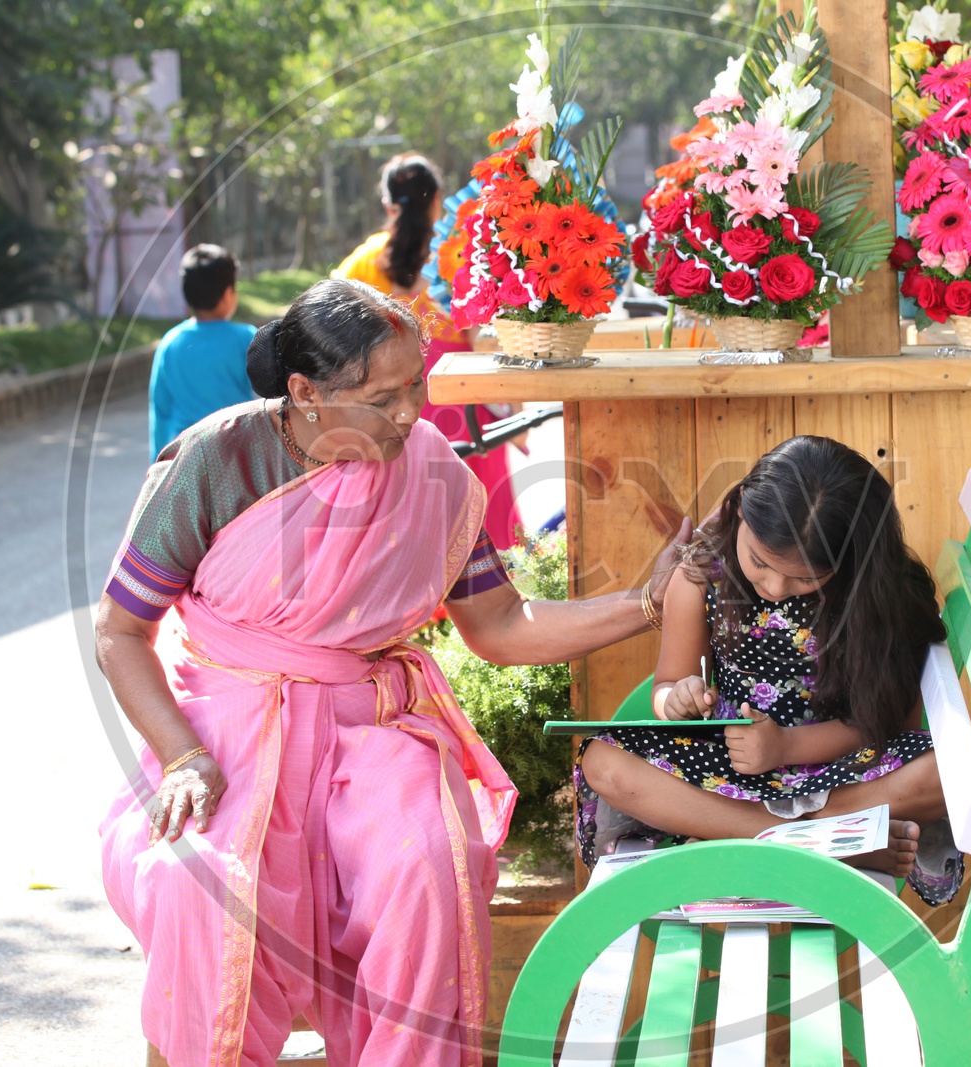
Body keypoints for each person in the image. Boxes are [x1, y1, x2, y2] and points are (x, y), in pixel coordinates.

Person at [96, 278, 689, 1067]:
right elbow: (119, 629)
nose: (411, 413)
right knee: (196, 884)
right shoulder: (217, 457)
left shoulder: (432, 471)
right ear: (304, 392)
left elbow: (503, 626)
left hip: (369, 732)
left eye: (418, 384)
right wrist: (180, 754)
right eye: (383, 397)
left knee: (424, 864)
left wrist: (650, 599)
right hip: (226, 733)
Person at [575, 435, 964, 905]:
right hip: (728, 771)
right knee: (602, 761)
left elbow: (878, 725)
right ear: (739, 512)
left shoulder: (873, 599)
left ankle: (754, 838)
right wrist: (676, 699)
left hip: (839, 770)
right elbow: (666, 686)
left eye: (804, 577)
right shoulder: (701, 578)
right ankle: (826, 844)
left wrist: (784, 746)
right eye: (759, 561)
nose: (775, 586)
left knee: (946, 772)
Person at [333, 153, 526, 547]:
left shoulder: (364, 262)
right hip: (464, 400)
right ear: (438, 198)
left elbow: (329, 325)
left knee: (407, 525)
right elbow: (486, 336)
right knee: (483, 527)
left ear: (387, 204)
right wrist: (516, 408)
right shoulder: (461, 253)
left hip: (394, 409)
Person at [147, 244, 257, 460]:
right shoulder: (246, 338)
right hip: (237, 454)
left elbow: (160, 409)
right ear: (228, 293)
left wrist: (156, 462)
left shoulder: (171, 342)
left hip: (186, 456)